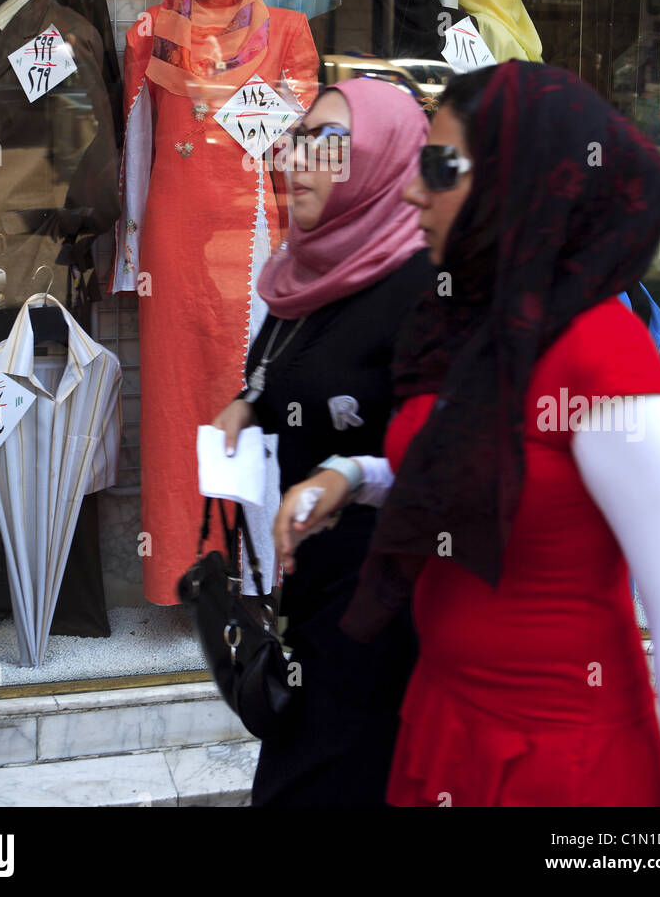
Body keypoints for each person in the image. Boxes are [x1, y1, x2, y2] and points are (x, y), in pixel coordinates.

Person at [277, 61, 660, 808]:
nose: (414, 190)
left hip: (558, 764)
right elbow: (469, 468)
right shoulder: (473, 324)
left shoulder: (603, 361)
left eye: (441, 168)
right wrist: (354, 477)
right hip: (445, 726)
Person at [213, 75, 432, 807]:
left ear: (381, 160)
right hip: (309, 587)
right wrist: (248, 403)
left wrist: (347, 473)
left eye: (329, 144)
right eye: (299, 139)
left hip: (384, 603)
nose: (299, 158)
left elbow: (447, 454)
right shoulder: (305, 269)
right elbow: (277, 366)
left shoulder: (420, 286)